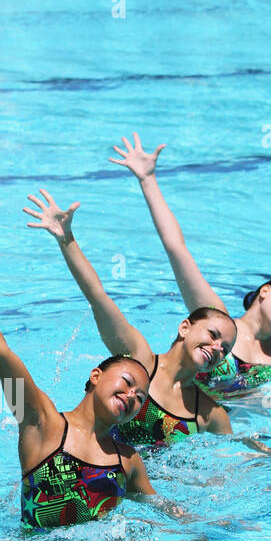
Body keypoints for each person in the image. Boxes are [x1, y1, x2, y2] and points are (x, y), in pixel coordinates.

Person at [0, 243, 171, 530]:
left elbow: (164, 510)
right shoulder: (41, 422)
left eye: (140, 397)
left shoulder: (128, 461)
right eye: (127, 383)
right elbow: (0, 351)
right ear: (95, 376)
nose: (131, 396)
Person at [24, 188, 236, 448]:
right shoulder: (139, 359)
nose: (217, 348)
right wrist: (66, 239)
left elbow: (234, 463)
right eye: (213, 335)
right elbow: (98, 298)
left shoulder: (210, 414)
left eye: (225, 349)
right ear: (184, 327)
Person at [109, 134, 271, 399]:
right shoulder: (216, 323)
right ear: (265, 291)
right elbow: (176, 249)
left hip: (233, 428)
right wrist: (147, 180)